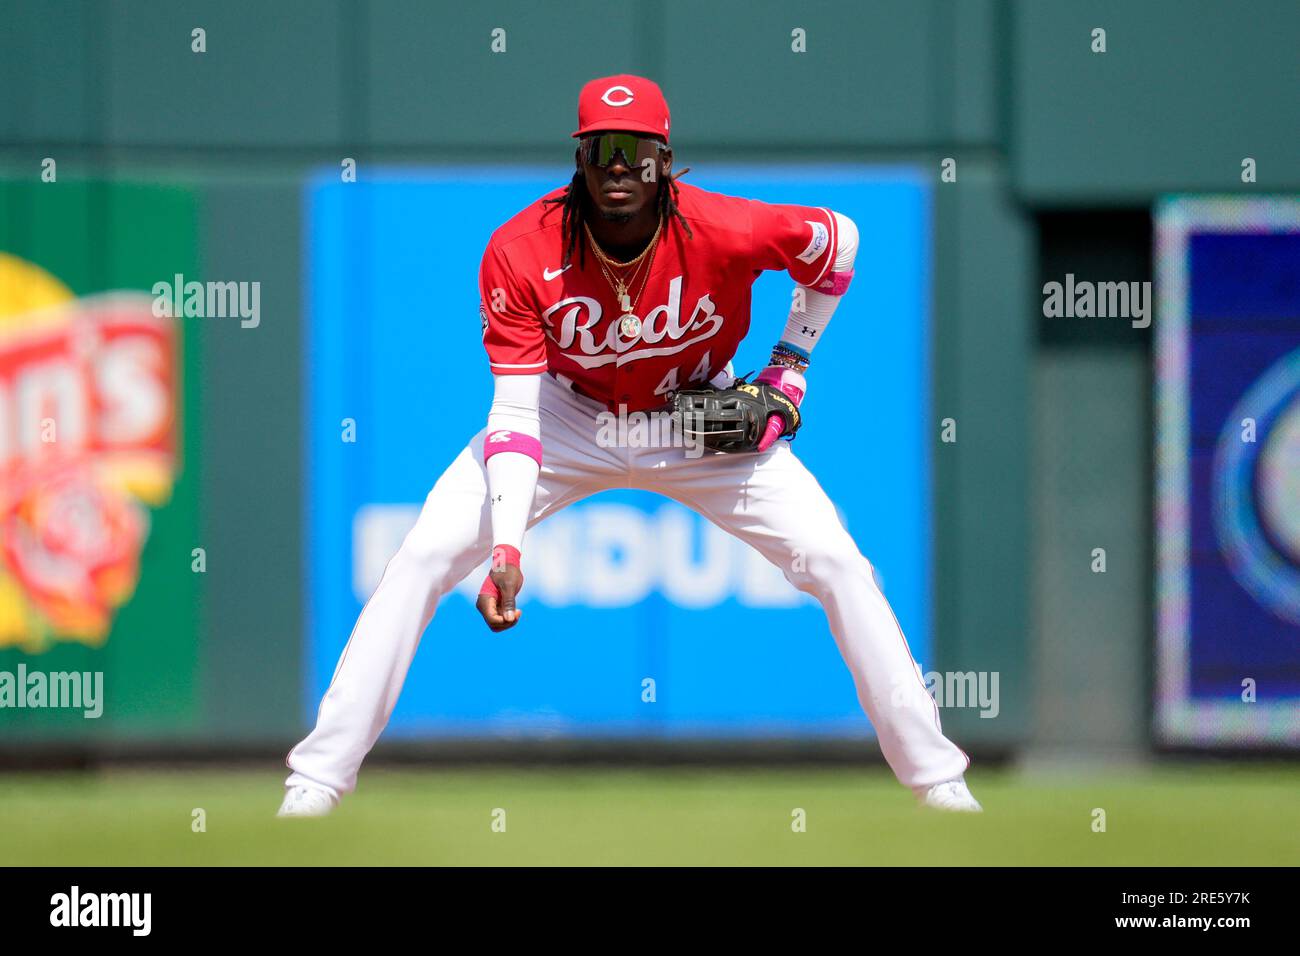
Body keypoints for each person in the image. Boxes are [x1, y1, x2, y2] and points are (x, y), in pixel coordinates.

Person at [279, 74, 980, 817]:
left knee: (838, 562)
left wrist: (790, 369)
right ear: (578, 157)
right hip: (565, 419)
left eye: (636, 150)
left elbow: (839, 243)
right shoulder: (522, 249)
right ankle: (315, 786)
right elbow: (514, 412)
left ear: (664, 157)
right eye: (601, 149)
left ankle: (940, 784)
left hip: (697, 419)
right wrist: (507, 549)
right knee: (421, 557)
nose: (618, 166)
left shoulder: (725, 227)